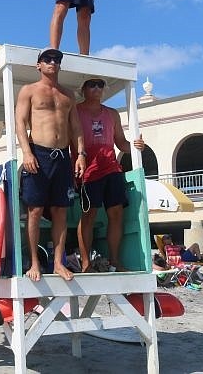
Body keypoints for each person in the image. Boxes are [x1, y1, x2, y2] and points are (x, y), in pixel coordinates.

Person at [16, 47, 86, 281]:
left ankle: (58, 262)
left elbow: (76, 127)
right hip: (39, 154)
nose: (52, 63)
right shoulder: (29, 91)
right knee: (34, 210)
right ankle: (34, 262)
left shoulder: (68, 95)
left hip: (63, 156)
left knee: (61, 210)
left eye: (56, 60)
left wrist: (81, 154)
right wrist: (27, 152)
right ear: (38, 65)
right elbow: (20, 122)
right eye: (47, 59)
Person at [75, 76, 145, 272]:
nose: (97, 88)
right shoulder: (75, 111)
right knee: (89, 215)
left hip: (112, 168)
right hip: (87, 170)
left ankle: (115, 260)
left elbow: (121, 142)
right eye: (91, 84)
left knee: (116, 214)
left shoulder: (112, 114)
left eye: (100, 85)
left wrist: (136, 146)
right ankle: (86, 262)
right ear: (83, 89)